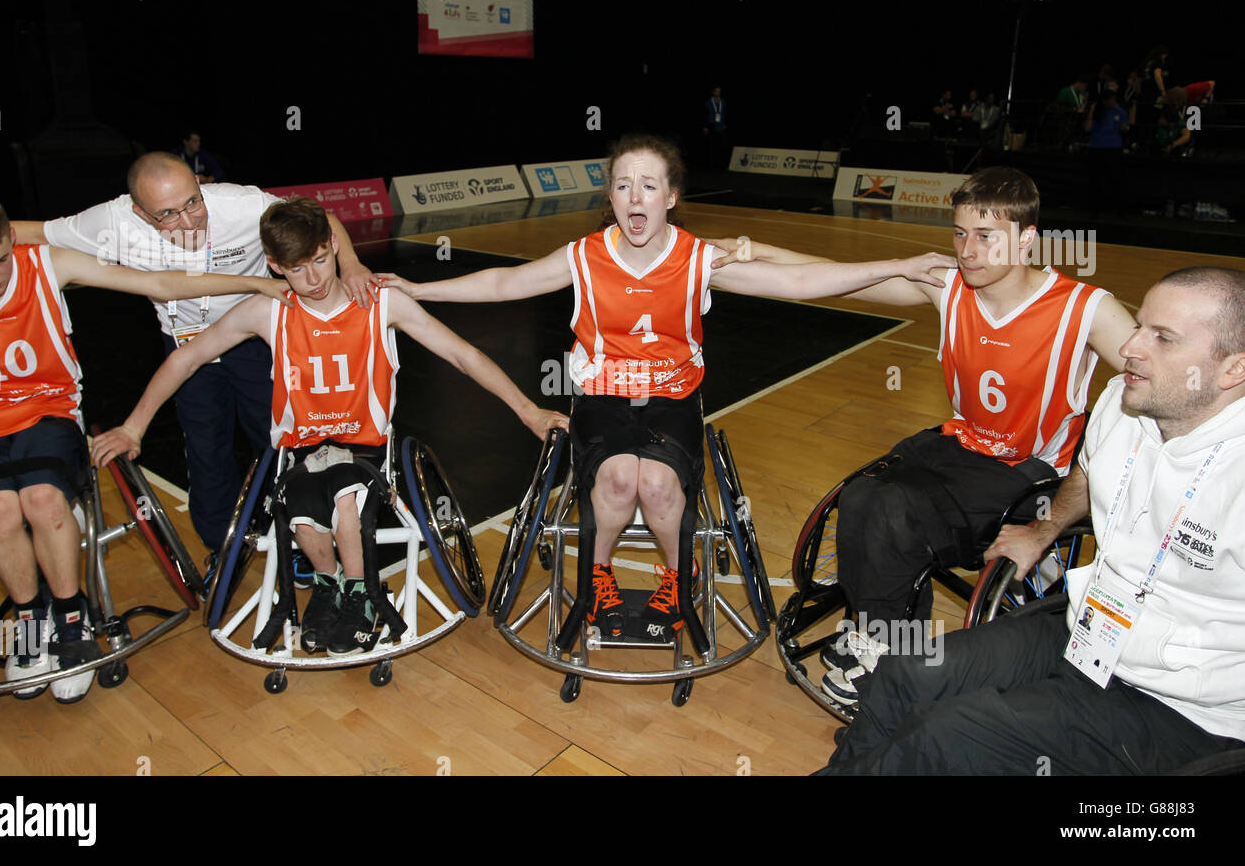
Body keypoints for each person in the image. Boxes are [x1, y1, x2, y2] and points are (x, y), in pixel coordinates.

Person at [372, 133, 953, 648]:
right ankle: (594, 581)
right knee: (620, 478)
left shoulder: (699, 259)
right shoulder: (585, 256)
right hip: (601, 401)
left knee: (655, 481)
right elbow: (506, 283)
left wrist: (895, 263)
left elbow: (800, 281)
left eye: (648, 185)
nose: (633, 197)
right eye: (623, 185)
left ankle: (678, 579)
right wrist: (421, 291)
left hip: (674, 402)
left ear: (670, 197)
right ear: (611, 197)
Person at [709, 166, 1136, 705]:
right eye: (960, 234)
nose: (968, 250)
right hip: (959, 444)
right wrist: (748, 248)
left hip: (1028, 472)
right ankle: (879, 629)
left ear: (1027, 238)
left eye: (986, 236)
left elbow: (1158, 385)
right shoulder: (950, 290)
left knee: (897, 510)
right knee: (863, 494)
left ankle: (886, 644)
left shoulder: (1085, 309)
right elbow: (840, 273)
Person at [91, 197, 568, 655]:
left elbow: (463, 355)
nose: (313, 278)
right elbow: (187, 359)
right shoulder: (267, 311)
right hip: (299, 450)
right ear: (275, 266)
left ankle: (360, 592)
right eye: (296, 269)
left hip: (365, 448)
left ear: (334, 247)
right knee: (300, 503)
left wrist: (528, 409)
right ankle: (326, 587)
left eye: (320, 260)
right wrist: (134, 427)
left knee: (343, 494)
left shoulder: (382, 304)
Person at [817, 267, 1245, 774]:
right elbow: (1087, 470)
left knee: (947, 735)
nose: (1131, 346)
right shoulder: (1122, 403)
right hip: (1089, 633)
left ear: (1231, 370)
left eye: (1163, 338)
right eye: (1140, 325)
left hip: (1179, 708)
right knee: (904, 673)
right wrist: (1042, 530)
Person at [0, 193, 286, 703]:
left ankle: (72, 621)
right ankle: (30, 624)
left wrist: (254, 282)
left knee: (41, 500)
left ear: (12, 238)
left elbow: (159, 283)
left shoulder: (47, 262)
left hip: (47, 411)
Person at [12, 153, 378, 568]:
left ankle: (301, 539)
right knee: (206, 448)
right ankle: (222, 547)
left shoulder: (242, 205)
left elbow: (321, 220)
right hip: (188, 346)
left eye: (192, 203)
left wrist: (352, 263)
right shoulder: (110, 223)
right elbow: (24, 232)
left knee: (282, 443)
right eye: (167, 214)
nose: (188, 222)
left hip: (257, 338)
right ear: (138, 212)